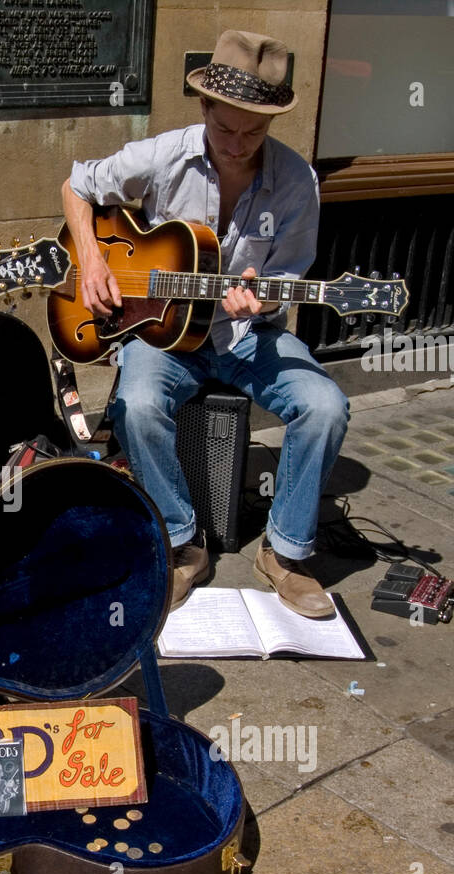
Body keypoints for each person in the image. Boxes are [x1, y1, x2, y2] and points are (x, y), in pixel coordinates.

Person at [60, 30, 348, 618]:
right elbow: (77, 184)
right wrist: (91, 259)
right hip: (163, 336)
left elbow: (287, 277)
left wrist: (261, 303)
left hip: (250, 338)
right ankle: (182, 546)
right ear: (204, 108)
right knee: (135, 405)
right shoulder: (165, 154)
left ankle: (286, 553)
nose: (239, 145)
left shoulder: (297, 182)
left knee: (325, 405)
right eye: (226, 129)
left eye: (255, 133)